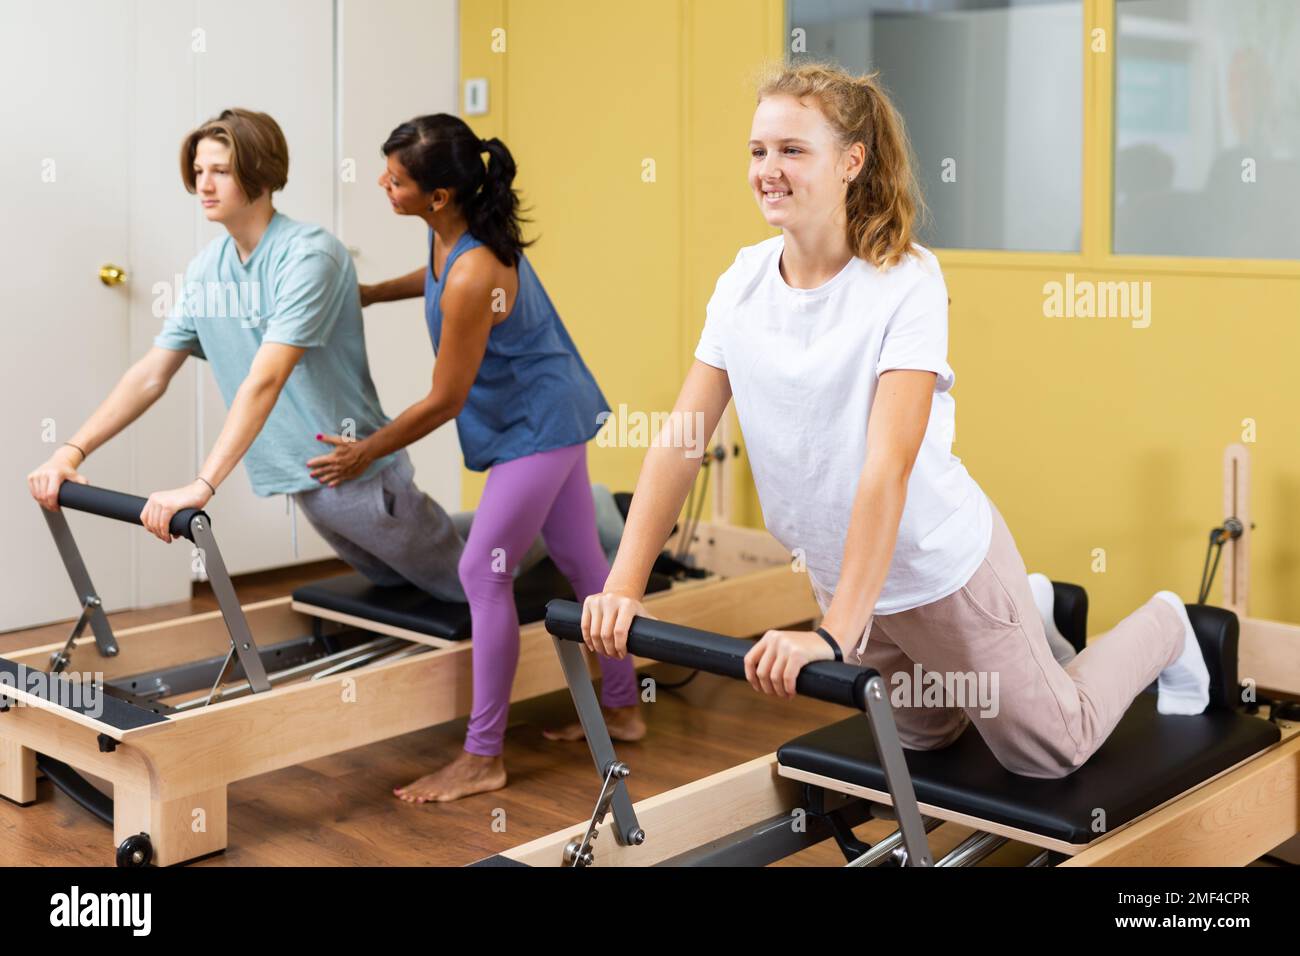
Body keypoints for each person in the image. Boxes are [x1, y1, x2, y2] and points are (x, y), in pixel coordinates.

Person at [578, 63, 1210, 780]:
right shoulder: (743, 283)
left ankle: (1166, 625)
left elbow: (888, 468)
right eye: (758, 150)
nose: (768, 170)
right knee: (923, 739)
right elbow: (681, 440)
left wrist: (832, 636)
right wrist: (624, 585)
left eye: (792, 150)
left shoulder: (905, 282)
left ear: (851, 161)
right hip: (843, 575)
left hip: (938, 572)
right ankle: (1030, 615)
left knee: (1050, 751)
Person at [308, 115, 644, 802]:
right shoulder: (454, 240)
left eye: (395, 179)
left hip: (541, 426)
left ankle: (483, 756)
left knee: (480, 571)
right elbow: (434, 276)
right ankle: (626, 707)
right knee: (583, 562)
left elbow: (444, 399)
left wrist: (364, 452)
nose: (382, 184)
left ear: (438, 196)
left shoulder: (475, 270)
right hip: (552, 409)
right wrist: (372, 293)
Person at [26, 108, 471, 603]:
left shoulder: (309, 256)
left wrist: (202, 485)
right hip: (307, 482)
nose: (204, 185)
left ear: (258, 173)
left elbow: (266, 378)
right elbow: (152, 373)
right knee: (397, 582)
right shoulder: (207, 269)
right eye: (198, 172)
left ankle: (547, 529)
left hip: (362, 478)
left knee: (467, 586)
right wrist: (70, 452)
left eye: (220, 171)